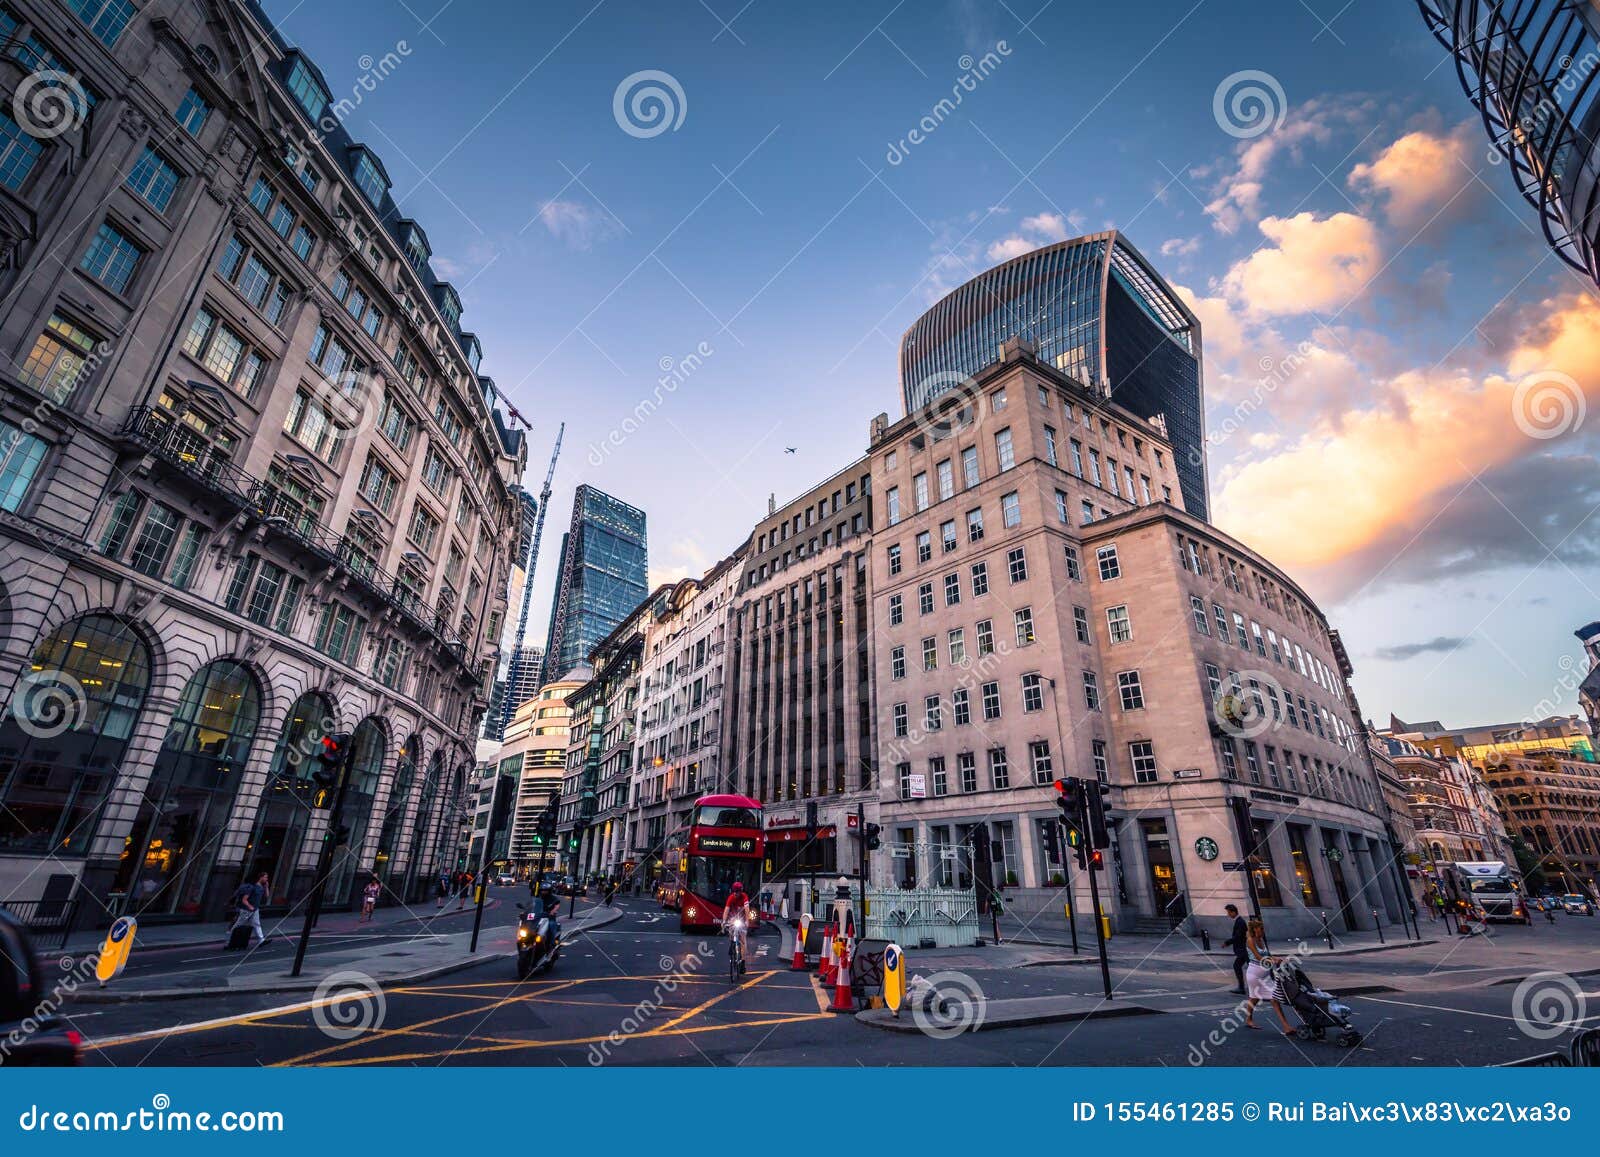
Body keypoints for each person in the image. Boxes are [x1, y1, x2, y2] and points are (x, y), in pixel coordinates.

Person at [1242, 917, 1294, 1035]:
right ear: (1255, 929)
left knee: (1254, 998)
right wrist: (1272, 961)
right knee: (1272, 998)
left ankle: (1249, 1019)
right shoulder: (1250, 940)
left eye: (1263, 928)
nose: (1263, 930)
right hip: (1254, 974)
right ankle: (1286, 1027)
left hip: (1265, 974)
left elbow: (1268, 955)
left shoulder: (1262, 940)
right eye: (1261, 928)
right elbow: (1258, 957)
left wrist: (1277, 958)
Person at [230, 872, 269, 948]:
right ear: (261, 877)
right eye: (265, 877)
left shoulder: (261, 887)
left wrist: (267, 887)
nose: (266, 879)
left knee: (257, 924)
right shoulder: (252, 887)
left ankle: (261, 941)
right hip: (247, 910)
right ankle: (229, 940)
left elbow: (267, 896)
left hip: (255, 909)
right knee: (238, 924)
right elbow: (244, 899)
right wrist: (250, 906)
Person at [721, 881, 750, 971]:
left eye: (738, 892)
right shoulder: (731, 898)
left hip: (742, 919)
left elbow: (747, 909)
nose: (736, 893)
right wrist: (723, 922)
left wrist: (747, 921)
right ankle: (732, 943)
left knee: (743, 941)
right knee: (730, 929)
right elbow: (726, 910)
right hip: (733, 917)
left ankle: (742, 963)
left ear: (741, 891)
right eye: (735, 891)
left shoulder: (744, 896)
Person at [1222, 904, 1248, 995]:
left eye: (1229, 912)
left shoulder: (1240, 922)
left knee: (1238, 966)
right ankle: (1242, 987)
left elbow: (1238, 936)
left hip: (1243, 949)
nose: (1228, 914)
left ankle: (1242, 987)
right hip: (1243, 949)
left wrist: (1227, 942)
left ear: (1233, 912)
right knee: (1241, 966)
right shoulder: (1239, 921)